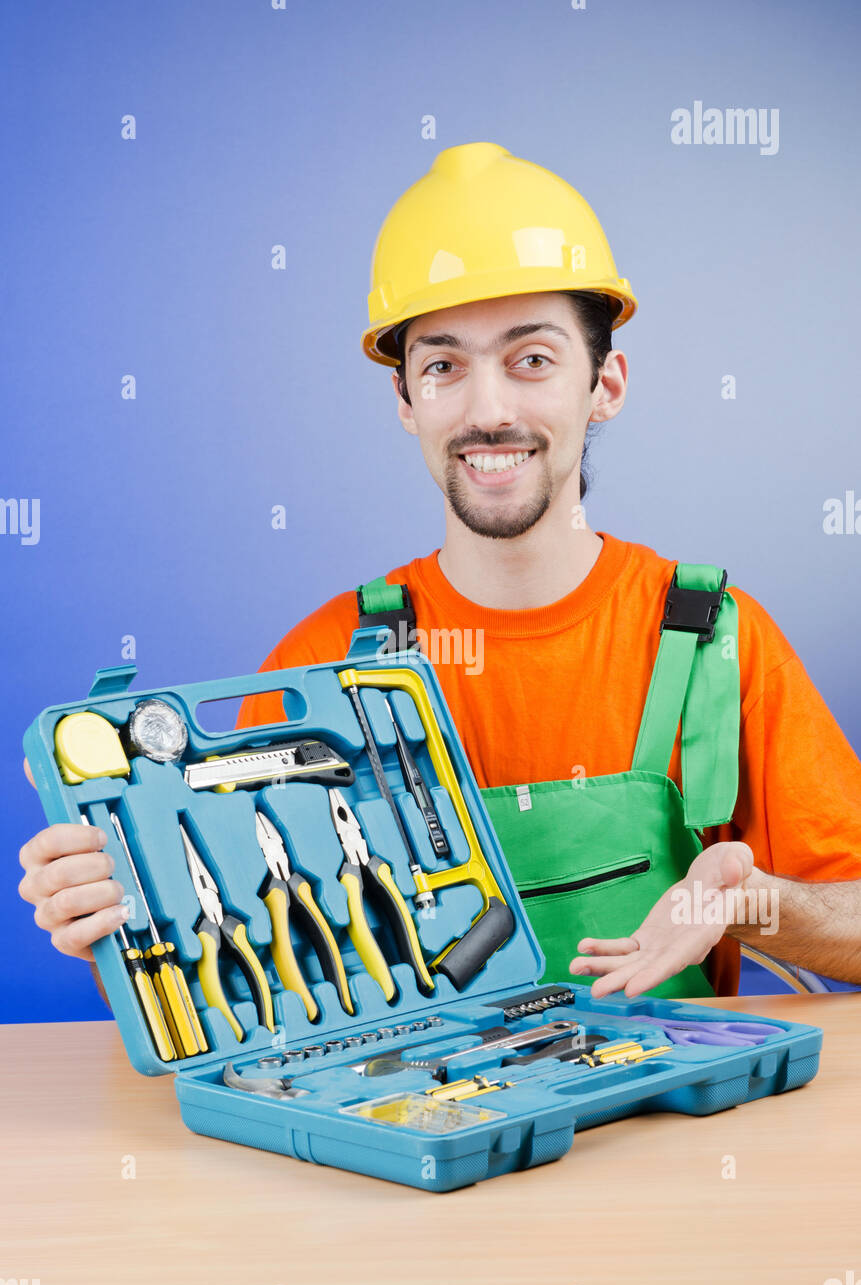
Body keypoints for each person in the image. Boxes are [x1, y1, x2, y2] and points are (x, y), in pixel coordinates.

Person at [18, 142, 861, 1001]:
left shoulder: (714, 638)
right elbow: (247, 975)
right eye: (443, 367)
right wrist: (127, 918)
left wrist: (757, 909)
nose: (488, 410)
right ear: (406, 401)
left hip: (672, 1124)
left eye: (532, 359)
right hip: (418, 1125)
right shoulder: (324, 660)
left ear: (604, 382)